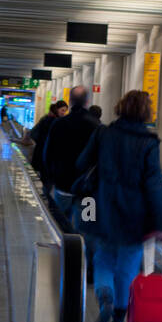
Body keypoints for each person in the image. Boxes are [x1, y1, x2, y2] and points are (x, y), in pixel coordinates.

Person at [75, 89, 162, 322]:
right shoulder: (149, 143)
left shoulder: (104, 133)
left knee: (103, 259)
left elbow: (81, 163)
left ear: (121, 107)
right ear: (146, 113)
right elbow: (154, 184)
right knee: (128, 267)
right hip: (135, 214)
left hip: (103, 207)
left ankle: (104, 298)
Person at [41, 85, 101, 227]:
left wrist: (52, 177)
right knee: (88, 227)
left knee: (60, 225)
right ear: (87, 102)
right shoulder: (97, 126)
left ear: (71, 101)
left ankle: (64, 248)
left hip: (63, 186)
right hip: (88, 191)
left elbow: (47, 153)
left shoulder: (58, 124)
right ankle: (84, 248)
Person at [27, 100, 67, 189]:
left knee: (44, 176)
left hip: (42, 152)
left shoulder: (46, 118)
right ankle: (45, 197)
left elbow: (33, 133)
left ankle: (43, 195)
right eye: (62, 110)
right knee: (47, 178)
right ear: (57, 109)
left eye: (65, 111)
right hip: (48, 154)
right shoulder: (55, 121)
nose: (64, 113)